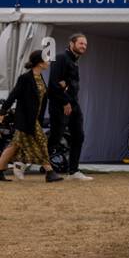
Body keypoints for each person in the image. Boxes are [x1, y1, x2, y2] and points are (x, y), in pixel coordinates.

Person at [0, 49, 64, 182]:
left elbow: (42, 98)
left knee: (14, 146)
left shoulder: (40, 78)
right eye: (46, 59)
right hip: (25, 119)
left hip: (34, 119)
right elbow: (13, 95)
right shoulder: (25, 78)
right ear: (40, 63)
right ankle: (50, 172)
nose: (48, 62)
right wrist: (2, 112)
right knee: (42, 141)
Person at [48, 32, 91, 180]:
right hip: (61, 105)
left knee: (79, 136)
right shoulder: (61, 58)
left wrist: (68, 94)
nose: (84, 46)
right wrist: (65, 101)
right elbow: (53, 83)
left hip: (74, 104)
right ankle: (26, 161)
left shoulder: (75, 61)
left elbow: (67, 83)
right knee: (55, 138)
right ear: (71, 44)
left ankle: (73, 172)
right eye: (81, 43)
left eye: (85, 44)